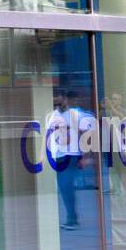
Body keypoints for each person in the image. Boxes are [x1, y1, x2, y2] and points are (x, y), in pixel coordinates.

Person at [45, 89, 91, 230]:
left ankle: (71, 219)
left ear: (65, 99)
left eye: (59, 101)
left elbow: (86, 135)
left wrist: (85, 156)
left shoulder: (75, 115)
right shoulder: (53, 116)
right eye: (55, 103)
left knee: (65, 185)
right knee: (65, 187)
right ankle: (72, 217)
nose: (58, 105)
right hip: (59, 156)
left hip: (72, 155)